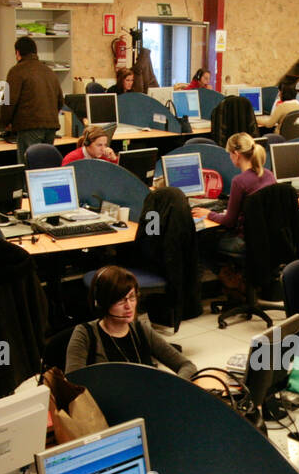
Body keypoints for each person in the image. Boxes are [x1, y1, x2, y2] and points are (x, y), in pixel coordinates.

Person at [65, 266, 195, 378]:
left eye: (132, 297)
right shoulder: (84, 334)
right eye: (121, 300)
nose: (129, 306)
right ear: (101, 303)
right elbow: (74, 383)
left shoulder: (140, 329)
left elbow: (187, 365)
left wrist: (175, 388)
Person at [191, 132, 275, 253]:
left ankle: (223, 271)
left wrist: (208, 213)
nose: (230, 157)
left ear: (236, 154)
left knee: (204, 242)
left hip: (245, 241)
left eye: (230, 154)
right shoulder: (268, 174)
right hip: (268, 238)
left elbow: (229, 222)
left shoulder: (239, 181)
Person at [0, 36, 64, 164]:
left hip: (29, 126)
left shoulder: (16, 71)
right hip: (51, 127)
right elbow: (60, 101)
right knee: (46, 166)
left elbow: (8, 100)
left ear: (17, 53)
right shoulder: (49, 71)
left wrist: (4, 123)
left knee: (28, 167)